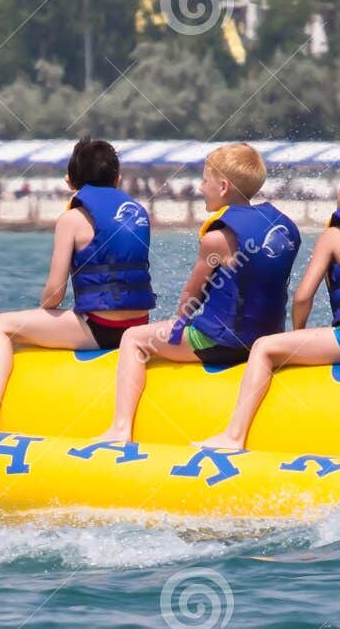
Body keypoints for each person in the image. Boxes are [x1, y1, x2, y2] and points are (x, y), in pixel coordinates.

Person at [197, 161, 340, 450]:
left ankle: (233, 436)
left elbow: (302, 296)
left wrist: (298, 334)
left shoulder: (336, 234)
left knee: (263, 347)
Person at [95, 142, 299, 444]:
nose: (201, 188)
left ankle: (120, 429)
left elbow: (191, 297)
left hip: (220, 342)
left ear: (223, 186)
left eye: (205, 180)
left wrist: (176, 330)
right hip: (264, 341)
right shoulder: (286, 228)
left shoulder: (217, 239)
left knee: (133, 339)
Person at [0, 138, 154, 430]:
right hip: (138, 325)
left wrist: (45, 312)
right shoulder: (139, 213)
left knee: (2, 324)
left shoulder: (71, 220)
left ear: (70, 181)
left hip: (100, 329)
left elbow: (54, 293)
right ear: (118, 179)